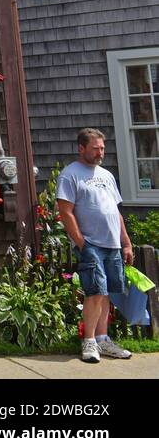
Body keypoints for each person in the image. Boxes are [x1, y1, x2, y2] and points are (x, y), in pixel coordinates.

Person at [56, 128, 133, 363]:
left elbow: (115, 211)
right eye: (95, 148)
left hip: (112, 244)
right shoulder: (70, 175)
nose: (100, 152)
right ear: (81, 148)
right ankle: (88, 342)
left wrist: (126, 243)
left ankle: (103, 339)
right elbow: (65, 213)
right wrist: (82, 243)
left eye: (102, 148)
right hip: (91, 243)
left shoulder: (107, 175)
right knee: (94, 291)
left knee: (106, 291)